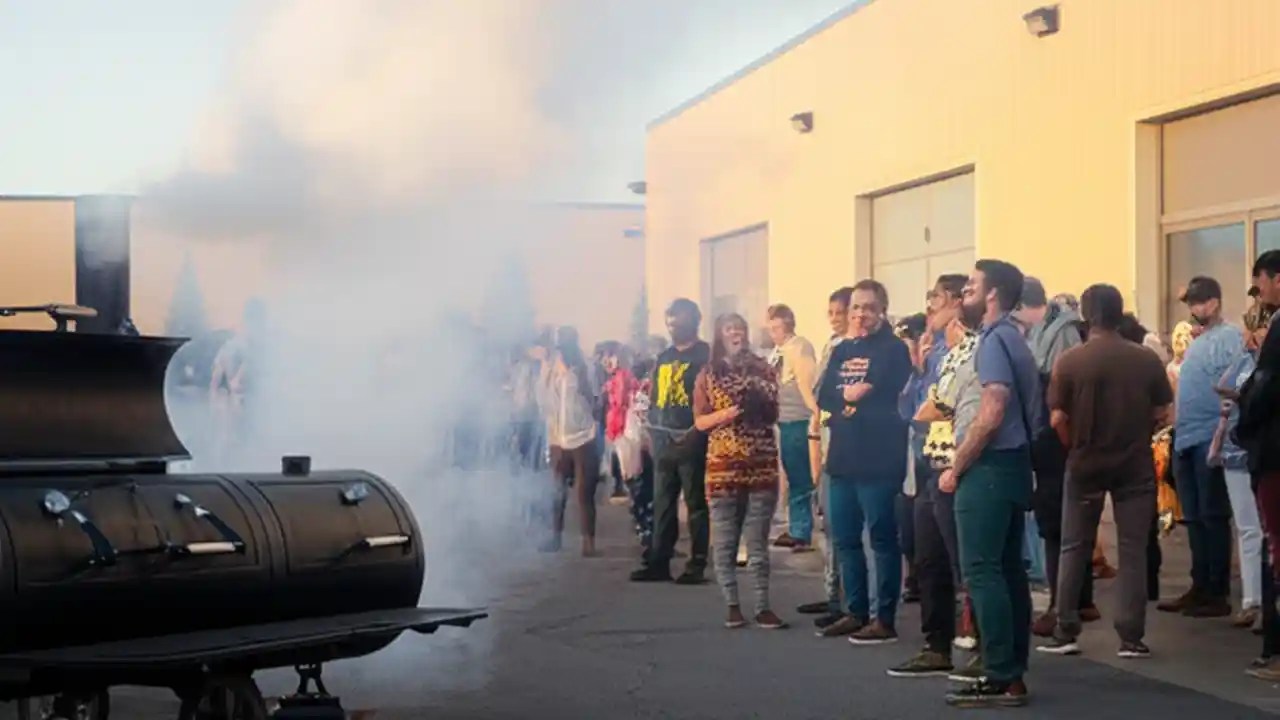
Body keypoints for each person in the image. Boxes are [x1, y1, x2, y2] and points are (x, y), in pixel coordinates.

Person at [1035, 284, 1172, 659]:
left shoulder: (1071, 361)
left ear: (1086, 316)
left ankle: (1066, 629)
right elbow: (1163, 412)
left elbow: (1058, 417)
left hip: (1085, 462)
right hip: (1134, 464)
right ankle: (1131, 637)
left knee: (1073, 546)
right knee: (1132, 550)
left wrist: (1074, 443)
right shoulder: (1145, 359)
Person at [940, 260, 1040, 708]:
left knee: (982, 571)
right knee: (1007, 570)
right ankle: (1009, 669)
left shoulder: (996, 341)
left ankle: (1001, 673)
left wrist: (958, 464)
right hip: (1013, 465)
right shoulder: (1012, 338)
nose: (965, 291)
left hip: (991, 468)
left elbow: (993, 408)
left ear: (993, 294)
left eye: (973, 286)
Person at [817, 279, 913, 644]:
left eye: (868, 308)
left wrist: (851, 398)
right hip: (841, 458)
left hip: (878, 459)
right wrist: (848, 398)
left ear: (882, 311)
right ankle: (854, 611)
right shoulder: (842, 350)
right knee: (844, 539)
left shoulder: (893, 350)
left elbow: (880, 388)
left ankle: (883, 618)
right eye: (856, 307)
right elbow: (825, 394)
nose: (860, 314)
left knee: (882, 539)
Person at [887, 274, 974, 677]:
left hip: (954, 462)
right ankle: (935, 644)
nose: (929, 307)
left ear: (958, 301)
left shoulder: (966, 348)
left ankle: (980, 644)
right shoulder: (932, 350)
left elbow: (944, 405)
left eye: (935, 298)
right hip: (926, 462)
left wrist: (927, 394)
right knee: (927, 558)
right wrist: (917, 367)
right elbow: (909, 408)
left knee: (965, 561)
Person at [1157, 276, 1245, 618]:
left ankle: (1216, 591)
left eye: (1200, 302)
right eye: (1192, 303)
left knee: (1212, 515)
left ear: (1215, 303)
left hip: (1212, 437)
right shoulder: (1197, 342)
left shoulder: (1230, 337)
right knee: (1193, 517)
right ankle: (1200, 586)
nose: (1195, 309)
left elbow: (1237, 384)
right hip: (1187, 436)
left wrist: (1225, 435)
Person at [694, 313, 786, 629]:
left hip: (761, 465)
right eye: (730, 330)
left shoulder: (764, 369)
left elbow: (774, 414)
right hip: (722, 469)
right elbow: (700, 421)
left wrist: (759, 398)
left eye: (741, 329)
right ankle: (732, 604)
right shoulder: (709, 373)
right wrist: (725, 414)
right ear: (720, 336)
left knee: (758, 541)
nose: (737, 334)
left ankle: (762, 605)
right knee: (725, 539)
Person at [631, 299, 712, 584]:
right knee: (662, 502)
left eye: (678, 319)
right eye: (670, 321)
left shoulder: (706, 355)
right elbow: (654, 397)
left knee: (695, 503)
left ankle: (697, 563)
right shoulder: (664, 357)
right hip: (663, 439)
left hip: (692, 438)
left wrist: (698, 432)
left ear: (694, 320)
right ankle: (659, 561)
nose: (673, 325)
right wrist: (651, 434)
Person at [1207, 298, 1272, 630]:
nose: (1251, 335)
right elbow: (1223, 385)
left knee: (1263, 531)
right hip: (1237, 452)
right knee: (1249, 529)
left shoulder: (1267, 364)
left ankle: (1262, 603)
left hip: (1259, 451)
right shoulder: (1245, 360)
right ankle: (1252, 600)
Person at [797, 287, 856, 627]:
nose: (835, 318)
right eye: (831, 312)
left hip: (846, 445)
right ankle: (831, 592)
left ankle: (848, 598)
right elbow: (820, 395)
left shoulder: (853, 352)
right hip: (826, 437)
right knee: (828, 524)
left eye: (841, 312)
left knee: (845, 526)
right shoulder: (830, 346)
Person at [535, 326, 601, 556]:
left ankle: (588, 541)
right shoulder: (552, 369)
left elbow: (595, 399)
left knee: (584, 492)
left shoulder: (586, 368)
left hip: (584, 435)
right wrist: (546, 368)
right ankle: (555, 537)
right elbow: (541, 399)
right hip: (557, 436)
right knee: (556, 490)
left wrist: (575, 375)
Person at [765, 304, 821, 552]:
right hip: (784, 420)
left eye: (777, 326)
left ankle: (801, 530)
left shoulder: (799, 347)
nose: (774, 332)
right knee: (792, 474)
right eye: (772, 327)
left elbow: (806, 381)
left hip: (798, 419)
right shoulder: (779, 350)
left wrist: (815, 414)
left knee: (801, 477)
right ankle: (796, 525)